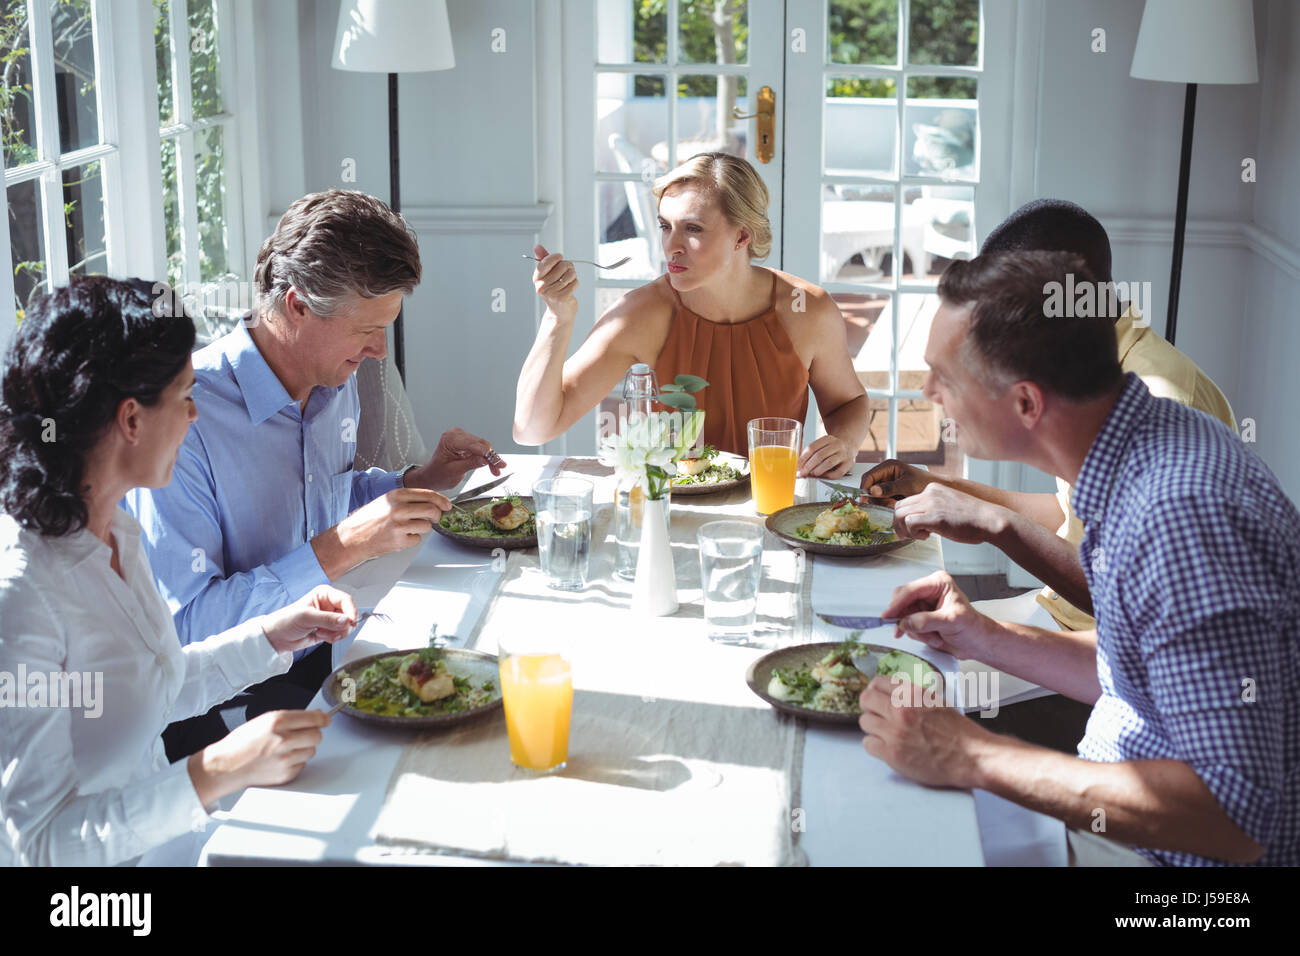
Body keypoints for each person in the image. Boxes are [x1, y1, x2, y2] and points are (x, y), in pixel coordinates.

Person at [857, 251, 1298, 866]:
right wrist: (986, 637)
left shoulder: (1179, 516)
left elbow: (1236, 816)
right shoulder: (1145, 440)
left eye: (944, 377)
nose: (929, 393)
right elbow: (1138, 674)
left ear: (1027, 404)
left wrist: (970, 754)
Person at [125, 189, 506, 759]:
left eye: (387, 328)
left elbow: (322, 495)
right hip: (219, 714)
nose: (379, 351)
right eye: (366, 331)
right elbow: (187, 630)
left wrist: (415, 480)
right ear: (298, 305)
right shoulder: (185, 417)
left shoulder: (331, 375)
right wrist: (336, 550)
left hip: (325, 657)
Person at [0, 277, 355, 866]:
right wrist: (213, 770)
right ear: (131, 420)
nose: (196, 415)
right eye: (186, 396)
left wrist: (272, 636)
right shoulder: (24, 597)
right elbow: (37, 846)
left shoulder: (115, 527)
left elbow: (148, 689)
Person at [859, 198, 1237, 632]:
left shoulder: (1160, 408)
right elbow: (1068, 515)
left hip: (1105, 653)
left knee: (907, 667)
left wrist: (993, 524)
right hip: (1059, 614)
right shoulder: (1090, 363)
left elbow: (1149, 608)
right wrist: (939, 485)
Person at [514, 152, 868, 477]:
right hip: (675, 509)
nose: (671, 246)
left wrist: (845, 443)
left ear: (742, 236)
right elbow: (533, 430)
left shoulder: (806, 309)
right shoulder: (641, 313)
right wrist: (557, 318)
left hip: (773, 503)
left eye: (693, 229)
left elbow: (848, 402)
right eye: (666, 226)